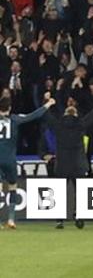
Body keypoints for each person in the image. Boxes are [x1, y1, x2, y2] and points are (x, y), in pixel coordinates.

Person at [43, 93, 93, 229]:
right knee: (80, 192)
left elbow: (46, 115)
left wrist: (47, 101)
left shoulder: (58, 125)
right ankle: (79, 216)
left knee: (59, 192)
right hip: (78, 164)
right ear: (76, 114)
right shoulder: (81, 124)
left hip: (62, 165)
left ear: (65, 114)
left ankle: (59, 220)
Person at [0, 94, 53, 229]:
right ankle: (11, 220)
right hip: (10, 160)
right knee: (12, 186)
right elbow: (33, 116)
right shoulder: (15, 119)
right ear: (10, 108)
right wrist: (47, 104)